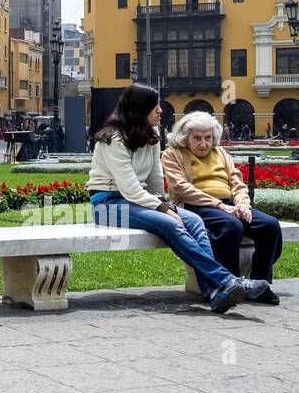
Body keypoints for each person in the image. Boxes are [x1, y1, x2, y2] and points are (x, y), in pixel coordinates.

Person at [87, 83, 269, 313]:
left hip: (139, 200)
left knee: (195, 221)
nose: (161, 110)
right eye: (156, 105)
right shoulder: (114, 140)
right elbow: (130, 189)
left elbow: (154, 178)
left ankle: (214, 292)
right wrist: (163, 209)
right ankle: (226, 281)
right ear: (140, 108)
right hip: (109, 203)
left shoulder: (151, 136)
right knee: (171, 223)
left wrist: (162, 202)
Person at [162, 112, 282, 303]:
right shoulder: (172, 154)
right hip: (196, 205)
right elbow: (180, 188)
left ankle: (260, 283)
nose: (204, 144)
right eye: (197, 138)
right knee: (232, 226)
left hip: (228, 204)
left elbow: (237, 183)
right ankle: (233, 285)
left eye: (208, 138)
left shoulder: (221, 153)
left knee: (270, 226)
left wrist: (242, 204)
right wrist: (218, 204)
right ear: (185, 138)